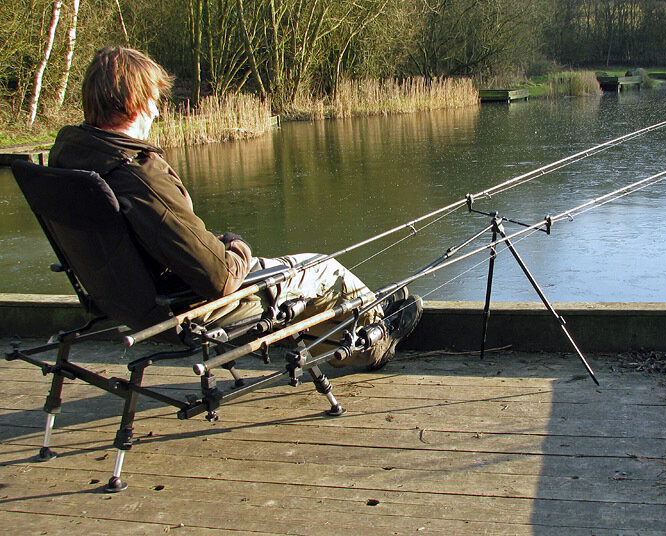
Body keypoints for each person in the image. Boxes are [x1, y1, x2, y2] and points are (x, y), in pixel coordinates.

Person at [49, 45, 421, 369]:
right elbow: (220, 278)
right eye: (153, 100)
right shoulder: (139, 174)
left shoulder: (70, 160)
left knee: (307, 280)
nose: (157, 112)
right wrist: (236, 246)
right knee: (321, 269)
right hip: (190, 308)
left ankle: (370, 313)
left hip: (127, 303)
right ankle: (377, 340)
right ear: (134, 101)